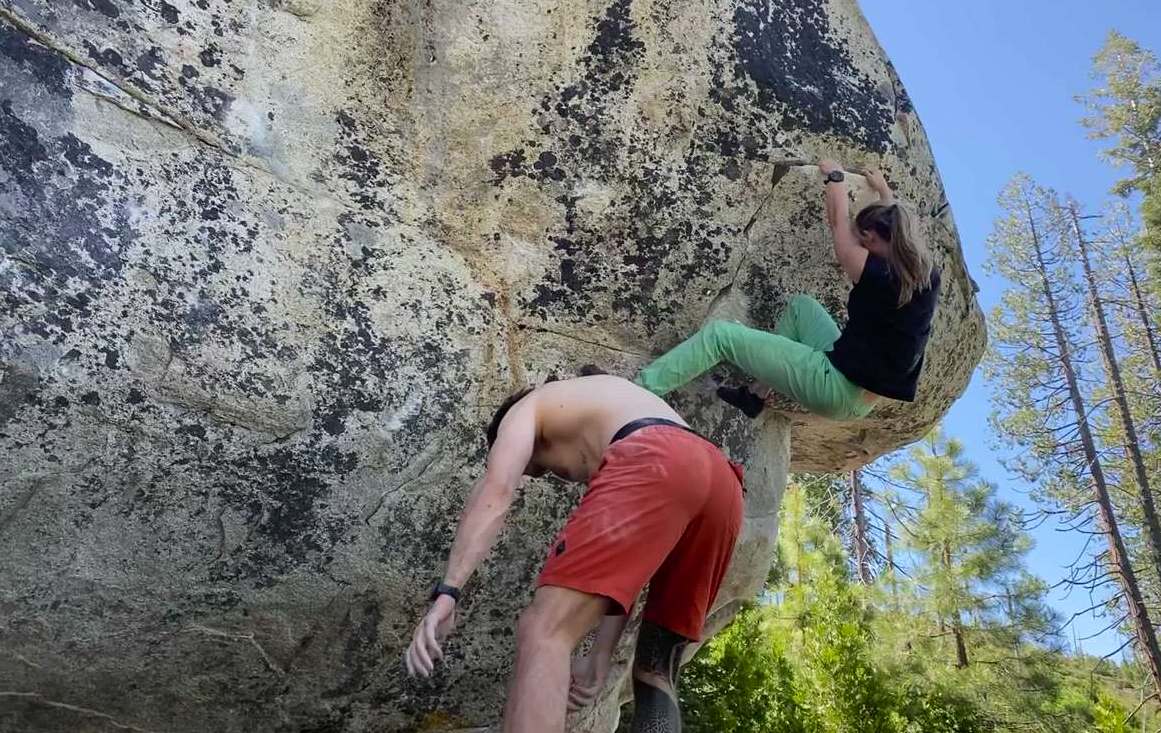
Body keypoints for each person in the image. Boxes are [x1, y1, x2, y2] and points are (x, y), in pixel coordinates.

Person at [403, 373, 745, 733]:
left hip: (657, 456)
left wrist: (448, 592)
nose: (553, 473)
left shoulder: (525, 409)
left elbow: (496, 493)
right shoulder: (603, 404)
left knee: (543, 631)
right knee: (656, 669)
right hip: (721, 484)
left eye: (540, 466)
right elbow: (624, 569)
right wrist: (600, 654)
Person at [635, 159, 940, 420]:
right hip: (858, 389)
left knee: (719, 336)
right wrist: (884, 193)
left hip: (835, 388)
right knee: (801, 309)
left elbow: (838, 222)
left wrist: (835, 176)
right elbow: (895, 223)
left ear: (875, 239)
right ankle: (755, 395)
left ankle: (636, 393)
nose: (861, 246)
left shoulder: (877, 274)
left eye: (865, 241)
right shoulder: (925, 275)